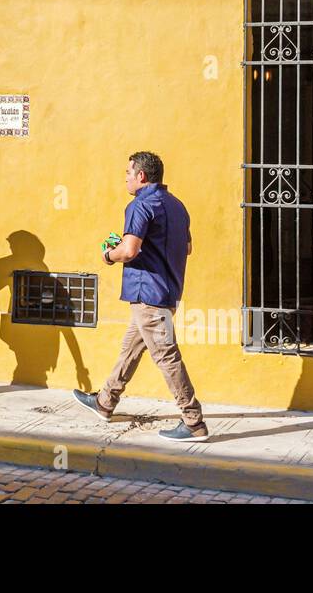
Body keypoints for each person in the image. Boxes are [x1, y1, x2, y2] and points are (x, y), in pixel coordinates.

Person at [73, 152, 207, 441]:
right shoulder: (177, 206)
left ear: (141, 176)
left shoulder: (139, 205)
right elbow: (187, 249)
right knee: (130, 349)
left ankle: (193, 421)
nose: (125, 178)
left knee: (166, 356)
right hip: (168, 290)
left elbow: (130, 250)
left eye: (127, 173)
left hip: (148, 293)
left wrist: (109, 254)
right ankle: (105, 401)